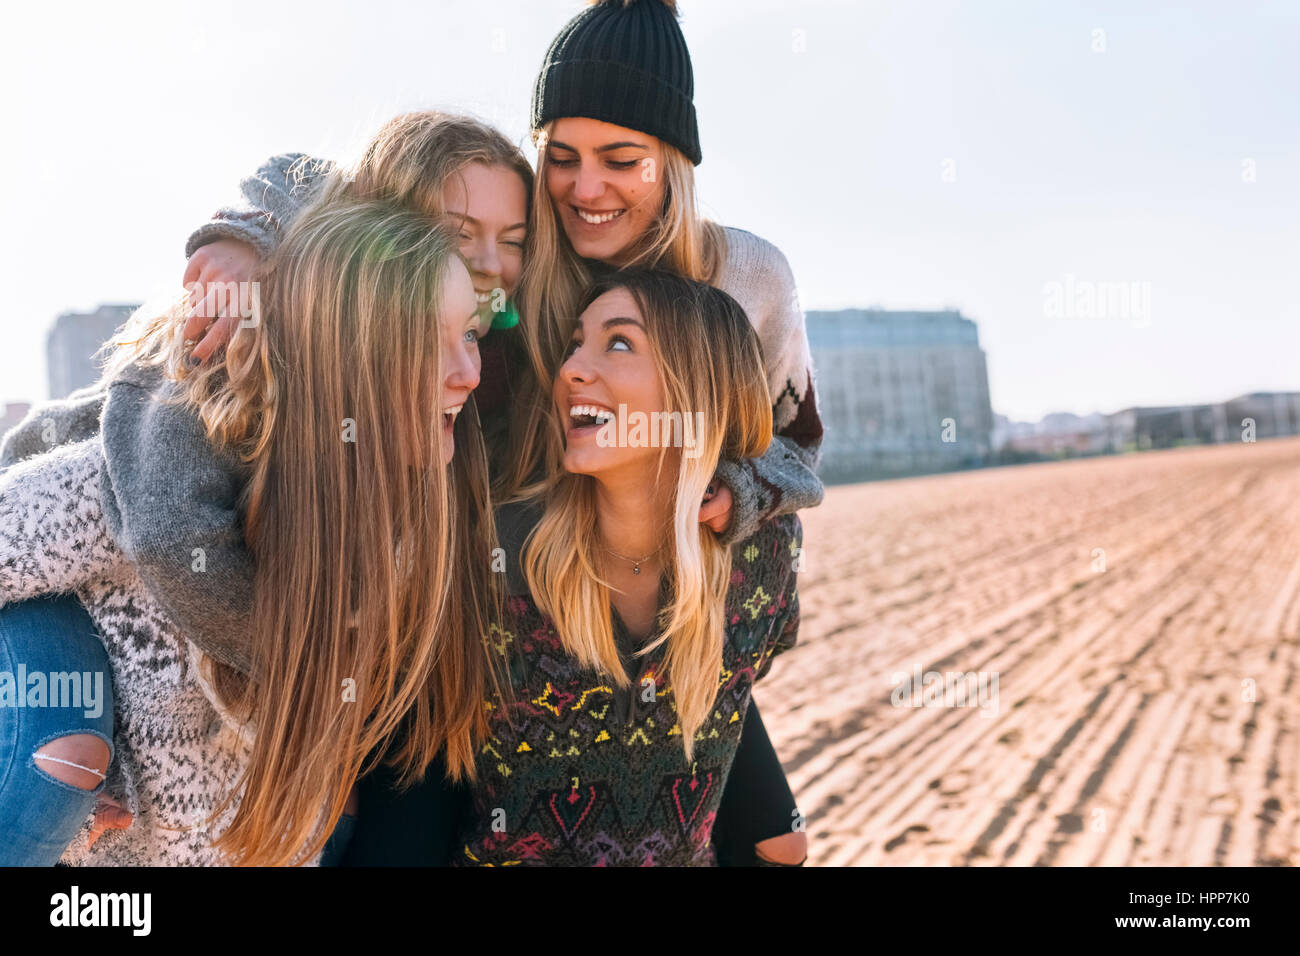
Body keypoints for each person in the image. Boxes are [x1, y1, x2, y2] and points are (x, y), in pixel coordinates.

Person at [0, 198, 490, 864]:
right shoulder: (152, 484)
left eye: (471, 335)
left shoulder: (402, 548)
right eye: (429, 344)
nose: (469, 374)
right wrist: (43, 734)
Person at [458, 269, 802, 865]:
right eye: (574, 344)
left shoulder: (764, 557)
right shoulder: (496, 557)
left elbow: (746, 692)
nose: (570, 370)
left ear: (697, 387)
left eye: (619, 343)